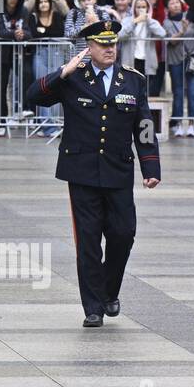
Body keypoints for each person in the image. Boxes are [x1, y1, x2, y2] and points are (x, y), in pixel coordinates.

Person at [25, 17, 161, 327]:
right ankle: (93, 307)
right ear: (90, 47)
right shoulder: (73, 78)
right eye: (103, 44)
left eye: (113, 43)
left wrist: (150, 165)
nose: (109, 48)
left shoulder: (133, 80)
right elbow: (33, 96)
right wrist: (63, 72)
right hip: (81, 170)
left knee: (123, 234)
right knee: (88, 240)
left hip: (118, 169)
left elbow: (143, 125)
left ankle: (109, 290)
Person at [25, 0, 67, 136]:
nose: (43, 4)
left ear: (50, 3)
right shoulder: (33, 17)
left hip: (56, 53)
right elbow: (33, 35)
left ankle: (53, 123)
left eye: (46, 1)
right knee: (43, 87)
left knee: (55, 87)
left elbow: (60, 32)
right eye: (40, 2)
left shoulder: (56, 16)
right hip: (40, 53)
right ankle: (47, 126)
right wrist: (45, 35)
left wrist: (43, 34)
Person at [0, 0, 31, 135]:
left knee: (26, 79)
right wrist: (16, 34)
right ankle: (1, 123)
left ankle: (24, 114)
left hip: (19, 54)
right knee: (1, 88)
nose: (12, 0)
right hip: (1, 53)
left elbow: (29, 32)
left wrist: (24, 35)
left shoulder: (23, 11)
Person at [163, 0, 194, 137]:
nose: (175, 5)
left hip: (193, 59)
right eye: (172, 3)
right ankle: (178, 124)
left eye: (177, 2)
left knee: (192, 92)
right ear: (168, 7)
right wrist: (182, 31)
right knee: (178, 93)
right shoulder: (166, 22)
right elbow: (171, 41)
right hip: (176, 61)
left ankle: (192, 124)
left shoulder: (189, 16)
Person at [118, 0, 166, 81]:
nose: (141, 9)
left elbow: (162, 34)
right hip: (131, 60)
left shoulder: (152, 22)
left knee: (145, 90)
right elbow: (120, 36)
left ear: (148, 8)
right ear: (134, 8)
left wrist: (148, 20)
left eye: (143, 7)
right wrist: (134, 22)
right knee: (131, 89)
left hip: (147, 60)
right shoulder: (127, 20)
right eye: (138, 7)